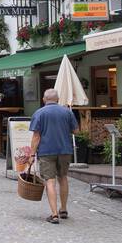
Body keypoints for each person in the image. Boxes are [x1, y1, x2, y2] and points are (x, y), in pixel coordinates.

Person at [29, 87, 79, 224]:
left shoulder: (39, 113)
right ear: (57, 99)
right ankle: (63, 209)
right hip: (65, 150)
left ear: (44, 99)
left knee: (50, 181)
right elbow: (76, 131)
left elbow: (36, 136)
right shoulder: (67, 112)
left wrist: (31, 154)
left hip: (46, 151)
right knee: (63, 178)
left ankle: (54, 214)